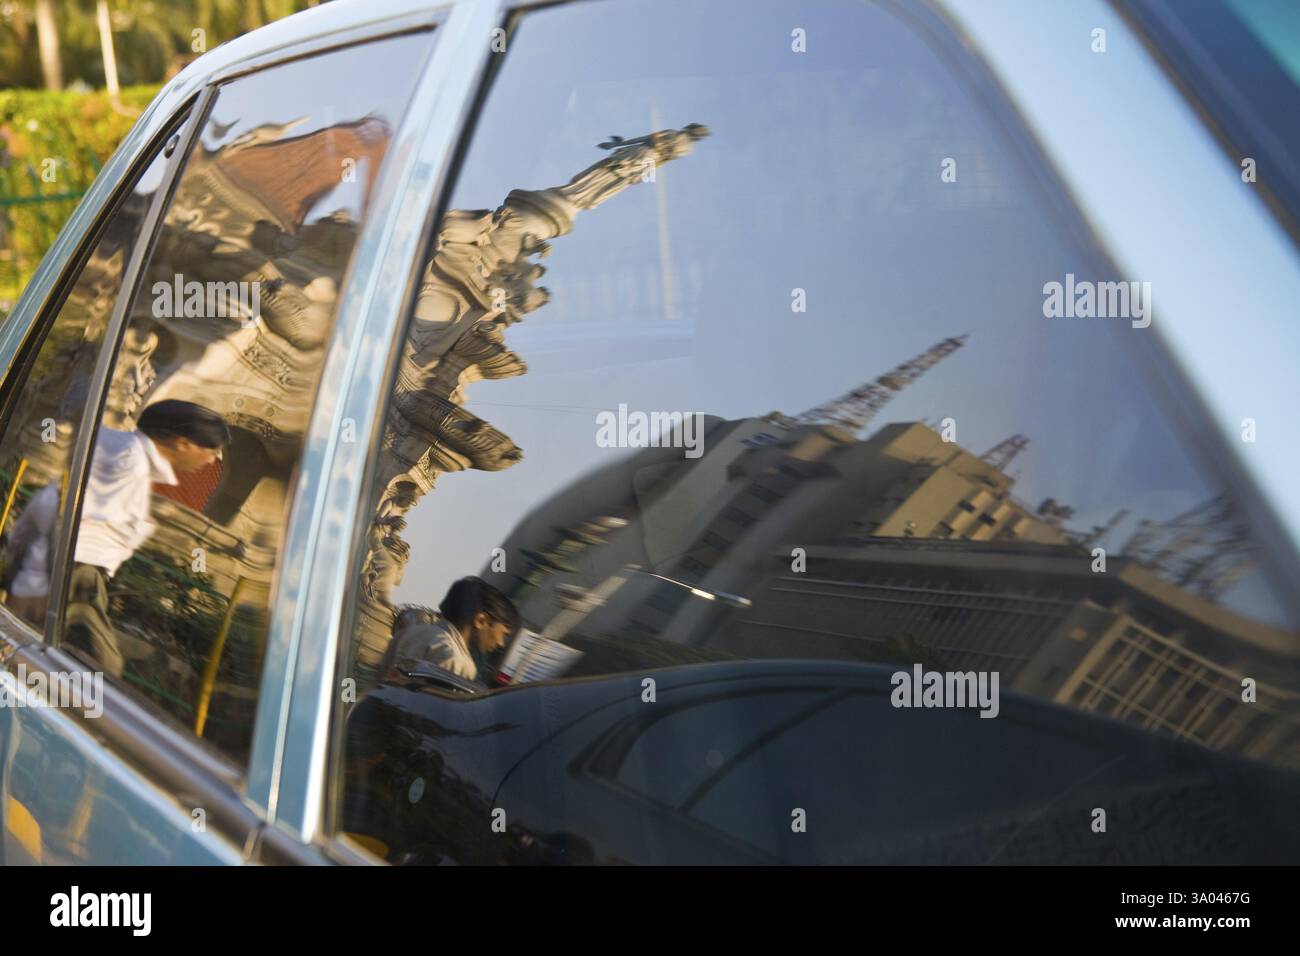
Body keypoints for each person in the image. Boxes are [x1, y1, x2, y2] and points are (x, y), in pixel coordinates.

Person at [49, 400, 229, 674]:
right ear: (182, 443)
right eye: (211, 450)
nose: (212, 460)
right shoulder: (130, 463)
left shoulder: (117, 444)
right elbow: (75, 515)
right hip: (79, 569)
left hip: (74, 567)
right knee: (103, 667)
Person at [382, 577, 520, 684]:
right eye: (503, 634)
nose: (501, 643)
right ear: (481, 621)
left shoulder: (410, 632)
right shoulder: (456, 661)